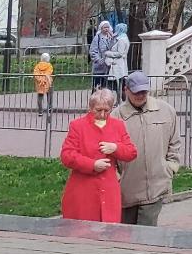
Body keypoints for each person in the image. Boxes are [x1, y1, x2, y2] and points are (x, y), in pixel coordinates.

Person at [58, 87, 136, 223]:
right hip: (83, 189)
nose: (102, 114)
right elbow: (67, 155)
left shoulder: (118, 125)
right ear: (90, 107)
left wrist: (116, 148)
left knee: (109, 231)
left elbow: (131, 152)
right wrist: (92, 164)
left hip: (109, 189)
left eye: (107, 110)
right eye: (98, 110)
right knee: (82, 232)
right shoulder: (78, 125)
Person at [117, 71, 181, 226]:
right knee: (126, 233)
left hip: (155, 186)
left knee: (147, 235)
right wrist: (116, 177)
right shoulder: (116, 116)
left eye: (144, 92)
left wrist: (170, 167)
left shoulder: (166, 111)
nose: (140, 95)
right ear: (126, 90)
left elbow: (175, 142)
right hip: (126, 187)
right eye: (136, 92)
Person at [88, 19, 117, 87]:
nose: (106, 29)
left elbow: (114, 48)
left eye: (107, 27)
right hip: (99, 67)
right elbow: (92, 51)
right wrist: (98, 60)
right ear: (101, 28)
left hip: (109, 67)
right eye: (105, 27)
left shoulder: (110, 38)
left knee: (106, 87)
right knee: (97, 86)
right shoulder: (97, 38)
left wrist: (113, 38)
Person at [32, 51, 56, 117]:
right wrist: (44, 80)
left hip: (40, 84)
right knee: (49, 95)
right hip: (47, 82)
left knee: (40, 97)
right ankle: (50, 109)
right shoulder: (49, 65)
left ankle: (40, 112)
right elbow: (49, 73)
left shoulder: (37, 66)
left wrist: (40, 80)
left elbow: (35, 74)